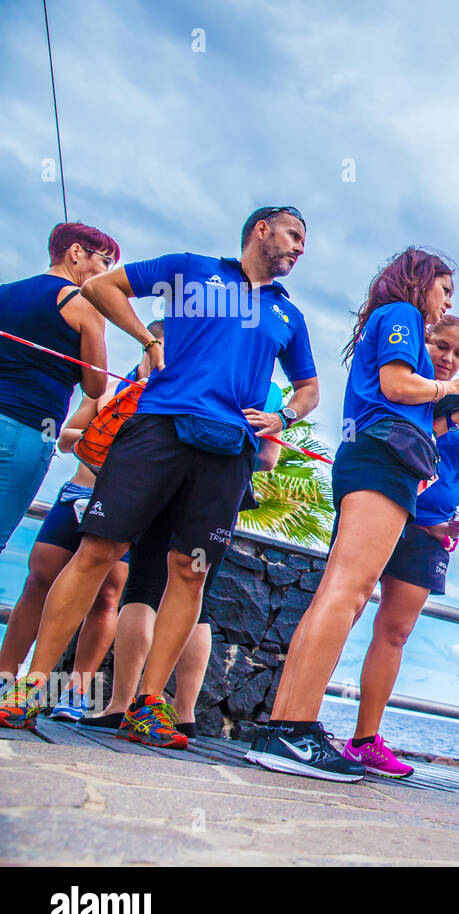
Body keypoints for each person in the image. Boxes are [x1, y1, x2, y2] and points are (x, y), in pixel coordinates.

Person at [0, 207, 320, 750]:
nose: (300, 248)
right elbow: (104, 286)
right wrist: (148, 342)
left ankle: (149, 707)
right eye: (294, 235)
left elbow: (309, 388)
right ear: (261, 230)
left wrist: (285, 416)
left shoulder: (289, 316)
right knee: (98, 550)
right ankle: (30, 686)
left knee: (188, 573)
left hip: (228, 452)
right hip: (158, 429)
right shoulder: (192, 269)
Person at [248, 247, 459, 781]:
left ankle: (284, 726)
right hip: (383, 463)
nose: (447, 302)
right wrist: (453, 386)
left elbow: (403, 404)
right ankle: (295, 733)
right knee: (349, 592)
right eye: (445, 289)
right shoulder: (401, 315)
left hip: (372, 454)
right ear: (421, 281)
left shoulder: (384, 320)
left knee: (339, 590)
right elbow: (398, 386)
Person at [82, 364, 286, 739]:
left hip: (163, 472)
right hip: (221, 486)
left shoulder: (186, 367)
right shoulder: (269, 391)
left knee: (144, 586)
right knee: (197, 596)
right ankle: (182, 712)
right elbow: (268, 459)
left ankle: (121, 704)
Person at [341, 314, 459, 778]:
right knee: (345, 607)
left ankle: (365, 740)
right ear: (422, 342)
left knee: (395, 632)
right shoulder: (410, 387)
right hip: (383, 508)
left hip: (429, 531)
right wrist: (450, 404)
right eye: (440, 346)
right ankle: (298, 715)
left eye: (458, 353)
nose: (448, 358)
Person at [0, 340, 141, 715]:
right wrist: (108, 436)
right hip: (77, 491)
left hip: (124, 502)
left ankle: (77, 692)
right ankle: (6, 676)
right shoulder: (111, 389)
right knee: (38, 581)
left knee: (107, 595)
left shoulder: (171, 396)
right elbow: (65, 438)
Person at [0, 222, 114, 558]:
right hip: (27, 428)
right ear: (76, 252)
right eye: (106, 261)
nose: (107, 271)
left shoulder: (5, 290)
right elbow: (95, 385)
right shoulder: (85, 304)